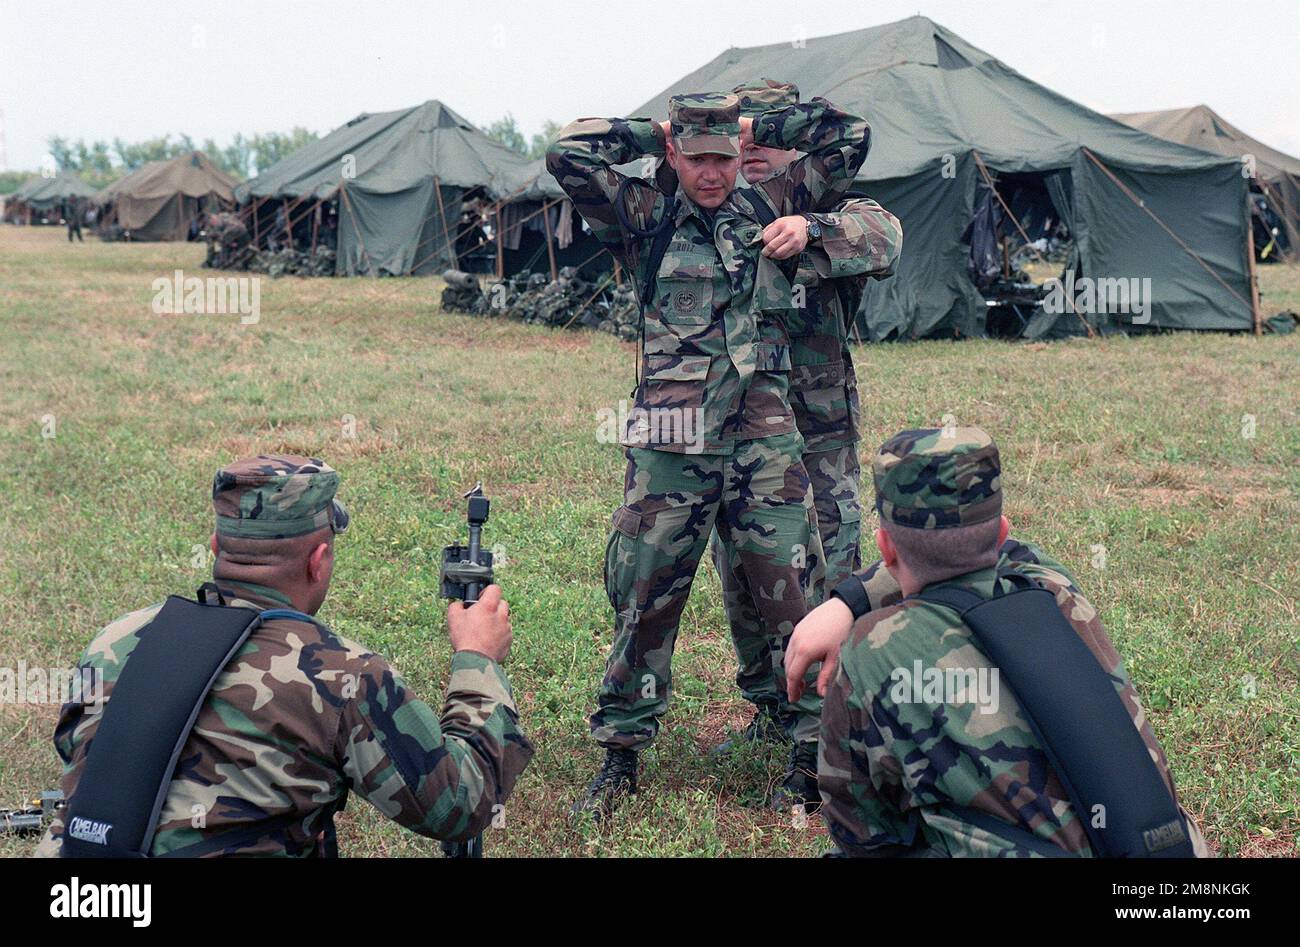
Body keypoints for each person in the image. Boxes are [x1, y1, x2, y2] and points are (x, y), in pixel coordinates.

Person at [548, 89, 869, 821]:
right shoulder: (643, 216)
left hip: (764, 439)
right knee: (646, 597)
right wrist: (651, 129)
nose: (714, 171)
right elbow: (565, 152)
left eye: (724, 157)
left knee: (792, 590)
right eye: (696, 157)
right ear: (673, 154)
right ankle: (621, 754)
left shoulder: (772, 205)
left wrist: (761, 128)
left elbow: (851, 136)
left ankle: (807, 753)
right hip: (671, 443)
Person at [37, 454, 533, 857]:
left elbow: (76, 753)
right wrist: (478, 658)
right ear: (318, 562)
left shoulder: (116, 640)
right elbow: (459, 805)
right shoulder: (343, 676)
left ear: (216, 545)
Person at [785, 427, 1211, 857]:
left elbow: (861, 833)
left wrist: (846, 603)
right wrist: (851, 600)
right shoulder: (1052, 585)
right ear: (1003, 529)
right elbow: (1015, 551)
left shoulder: (871, 648)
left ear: (884, 547)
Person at [707, 79, 902, 756]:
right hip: (738, 437)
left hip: (816, 438)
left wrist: (810, 233)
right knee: (741, 569)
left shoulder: (832, 204)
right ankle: (771, 707)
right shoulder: (719, 213)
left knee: (826, 575)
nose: (751, 149)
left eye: (765, 135)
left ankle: (835, 731)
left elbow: (885, 237)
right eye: (739, 136)